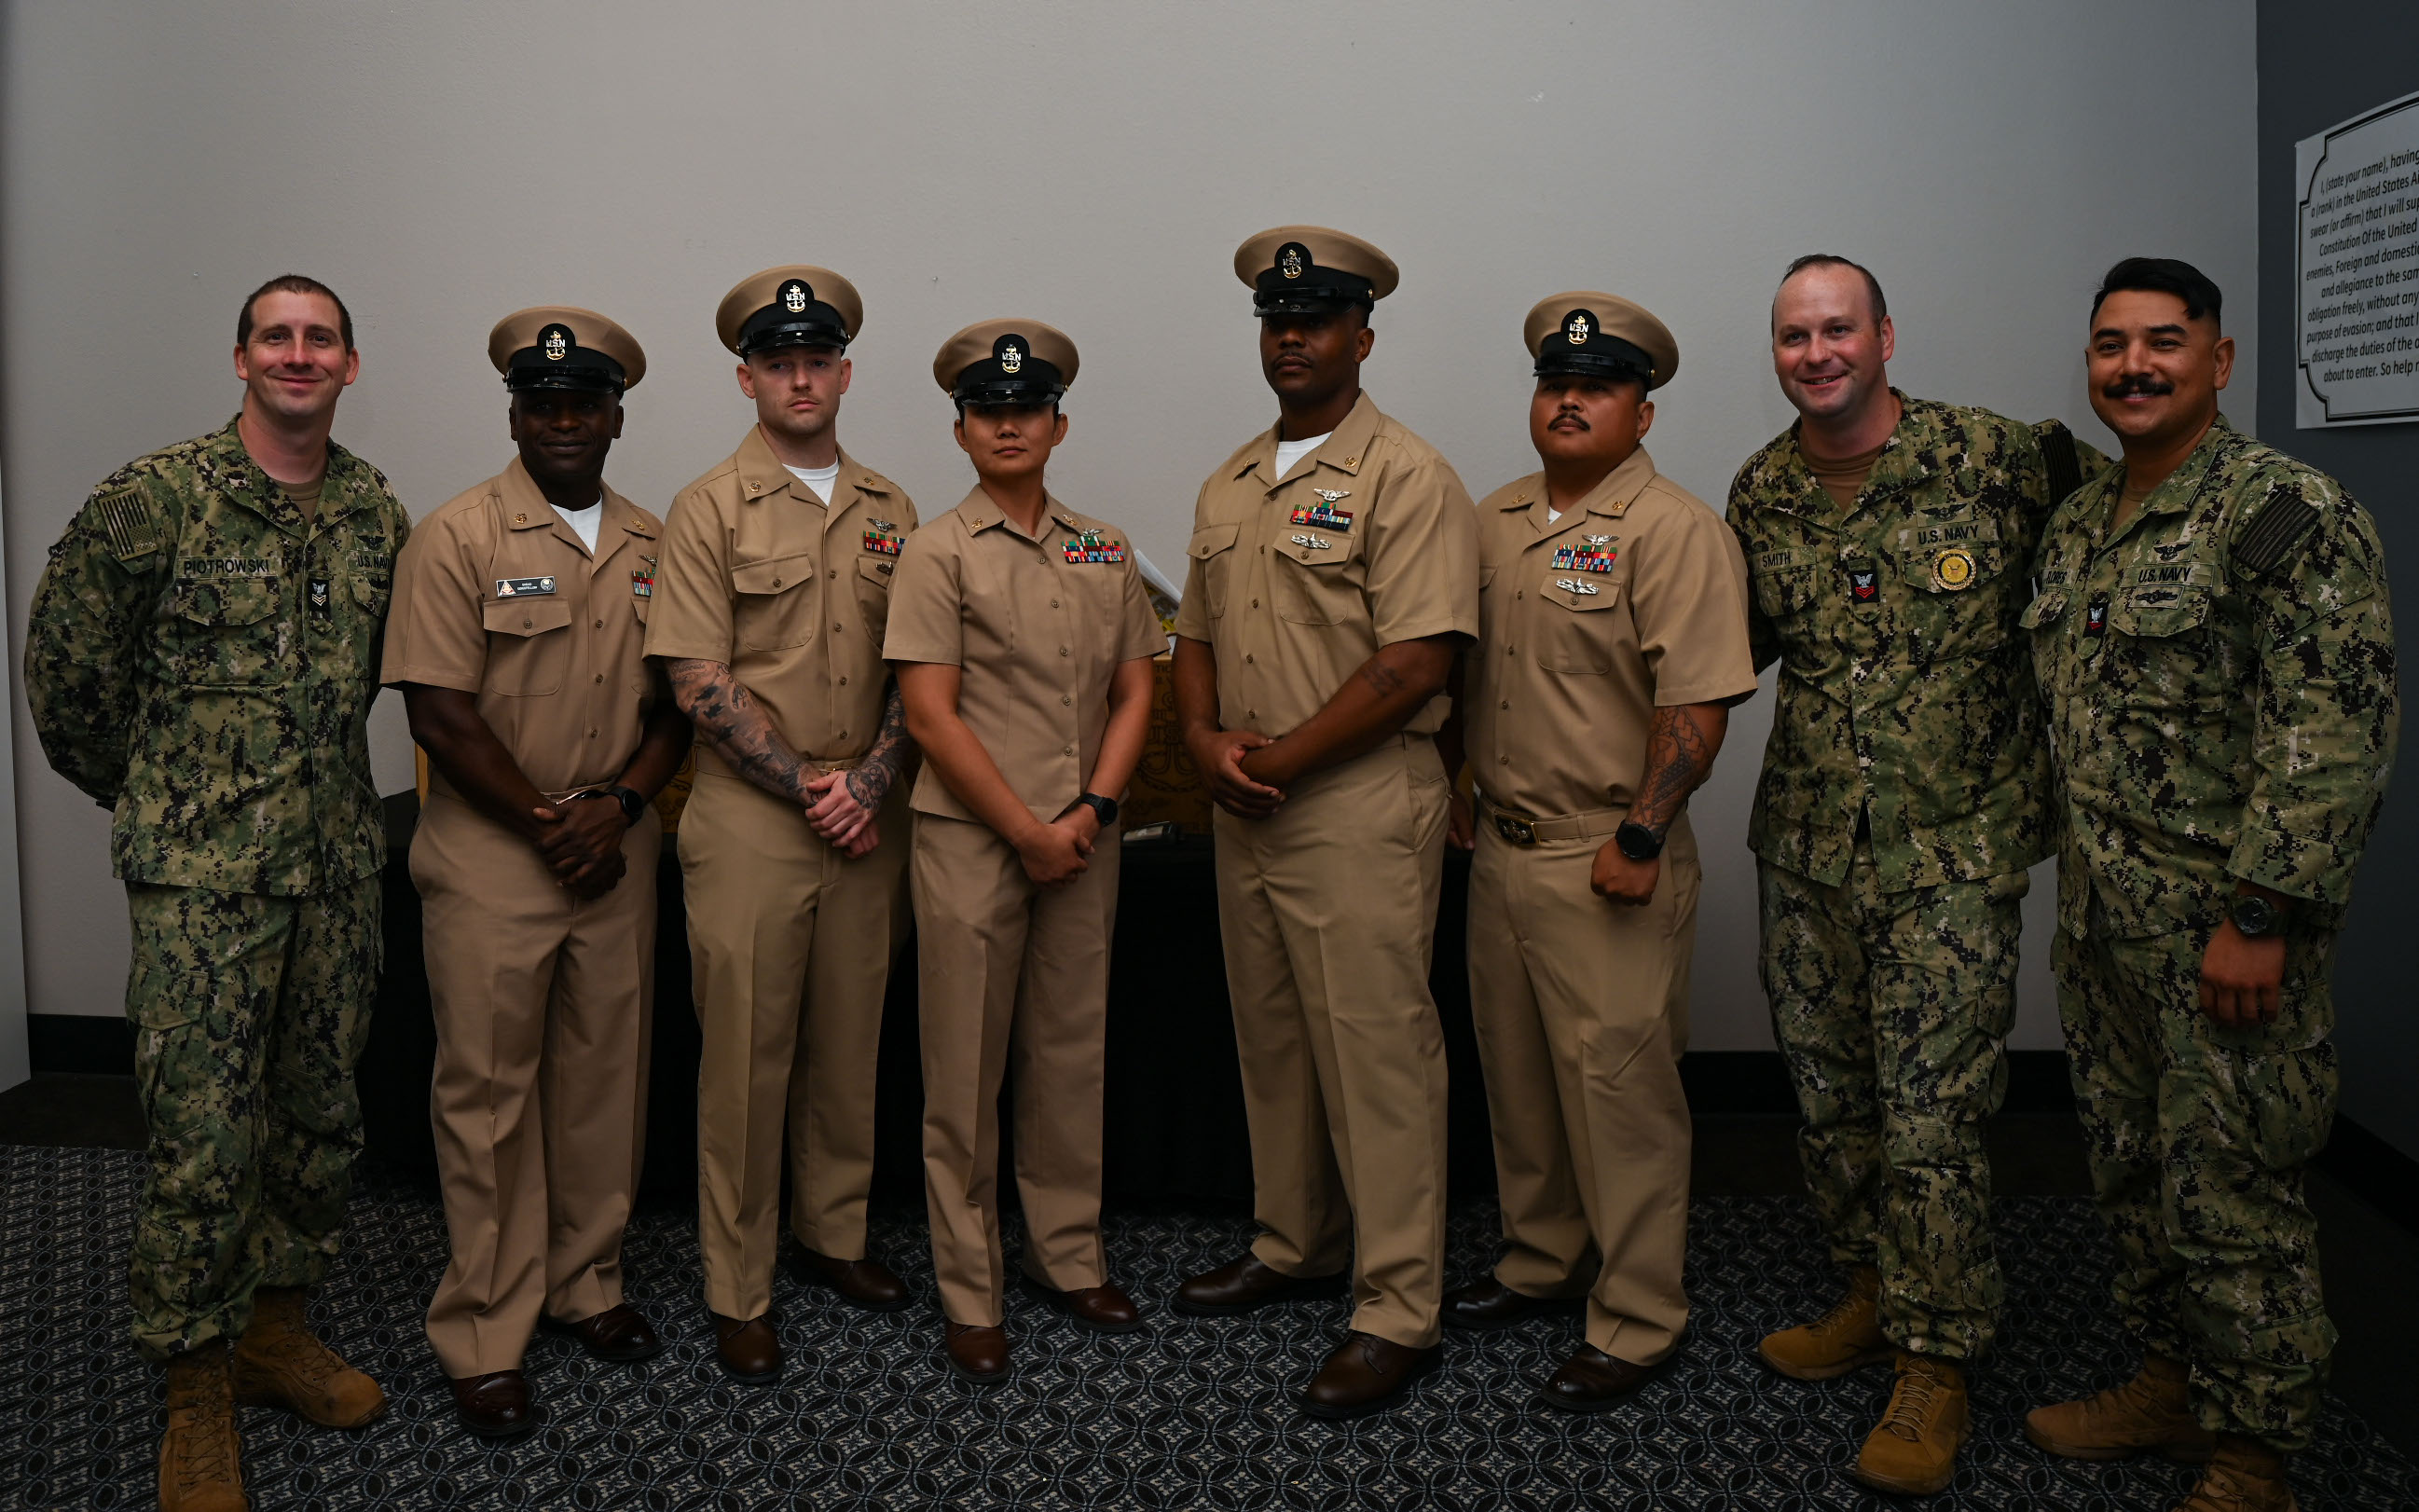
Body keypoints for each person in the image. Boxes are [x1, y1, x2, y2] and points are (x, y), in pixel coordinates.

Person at [24, 274, 411, 1512]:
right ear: (241, 357)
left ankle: (271, 1331)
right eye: (276, 336)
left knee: (316, 1117)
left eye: (320, 338)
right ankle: (194, 1382)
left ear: (350, 364)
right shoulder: (154, 500)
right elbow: (67, 680)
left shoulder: (369, 509)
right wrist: (165, 803)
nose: (298, 355)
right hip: (203, 884)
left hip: (337, 870)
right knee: (202, 1135)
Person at [2023, 258, 2398, 1512]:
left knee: (2232, 1185)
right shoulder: (2080, 522)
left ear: (2218, 361)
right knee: (2132, 1166)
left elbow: (2329, 730)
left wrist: (2258, 915)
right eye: (2109, 344)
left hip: (2220, 934)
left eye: (2162, 343)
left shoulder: (2280, 512)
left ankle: (2254, 1451)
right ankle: (2169, 1379)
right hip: (2100, 924)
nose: (2131, 365)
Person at [1725, 254, 2102, 1494]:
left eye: (1836, 328)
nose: (1815, 352)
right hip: (1808, 847)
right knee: (1831, 1098)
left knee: (1932, 1117)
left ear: (1884, 334)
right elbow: (1733, 646)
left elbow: (2127, 543)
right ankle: (1869, 1291)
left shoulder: (1997, 459)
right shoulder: (1763, 490)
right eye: (1793, 335)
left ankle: (1934, 1360)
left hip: (1951, 853)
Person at [1170, 226, 1479, 1419]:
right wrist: (1202, 745)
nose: (1290, 334)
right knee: (1278, 1039)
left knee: (1378, 1054)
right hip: (1249, 796)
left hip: (1352, 800)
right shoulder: (1234, 478)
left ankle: (1399, 1304)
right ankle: (1294, 1238)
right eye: (1274, 318)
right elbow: (1191, 636)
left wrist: (1280, 758)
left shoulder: (1408, 474)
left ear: (1361, 334)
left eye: (1316, 318)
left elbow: (1416, 663)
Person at [1438, 293, 1754, 1411]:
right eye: (1555, 382)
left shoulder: (1675, 529)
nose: (1570, 399)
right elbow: (1464, 673)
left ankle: (1637, 1313)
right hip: (1504, 850)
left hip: (1607, 854)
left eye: (1599, 386)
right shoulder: (1492, 518)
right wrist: (1454, 786)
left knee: (1621, 1097)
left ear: (1643, 410)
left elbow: (1698, 701)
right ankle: (1540, 1258)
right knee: (1520, 1079)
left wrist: (1641, 833)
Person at [383, 308, 692, 1437]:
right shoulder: (457, 534)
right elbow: (438, 711)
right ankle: (484, 1329)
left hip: (613, 851)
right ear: (515, 412)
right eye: (542, 403)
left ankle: (587, 1283)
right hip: (493, 855)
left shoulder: (661, 544)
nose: (563, 420)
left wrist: (617, 809)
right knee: (490, 1098)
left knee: (605, 1082)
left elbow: (678, 709)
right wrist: (550, 821)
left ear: (616, 415)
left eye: (584, 403)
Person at [645, 266, 923, 1383]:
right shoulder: (708, 505)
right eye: (779, 361)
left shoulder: (896, 509)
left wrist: (873, 779)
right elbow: (695, 676)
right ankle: (737, 1284)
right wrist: (814, 783)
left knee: (849, 1047)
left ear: (845, 372)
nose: (800, 377)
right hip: (757, 824)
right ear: (747, 376)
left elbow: (921, 666)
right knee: (748, 1062)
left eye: (818, 359)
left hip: (870, 816)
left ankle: (836, 1235)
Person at [885, 319, 1163, 1385]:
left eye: (1027, 410)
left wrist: (1092, 807)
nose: (1009, 425)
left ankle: (1067, 1254)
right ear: (961, 430)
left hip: (1084, 835)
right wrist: (1028, 830)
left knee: (1068, 1051)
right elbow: (930, 714)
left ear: (1057, 423)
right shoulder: (934, 551)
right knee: (963, 1069)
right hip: (975, 843)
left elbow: (1137, 684)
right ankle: (971, 1287)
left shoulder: (1103, 545)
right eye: (988, 412)